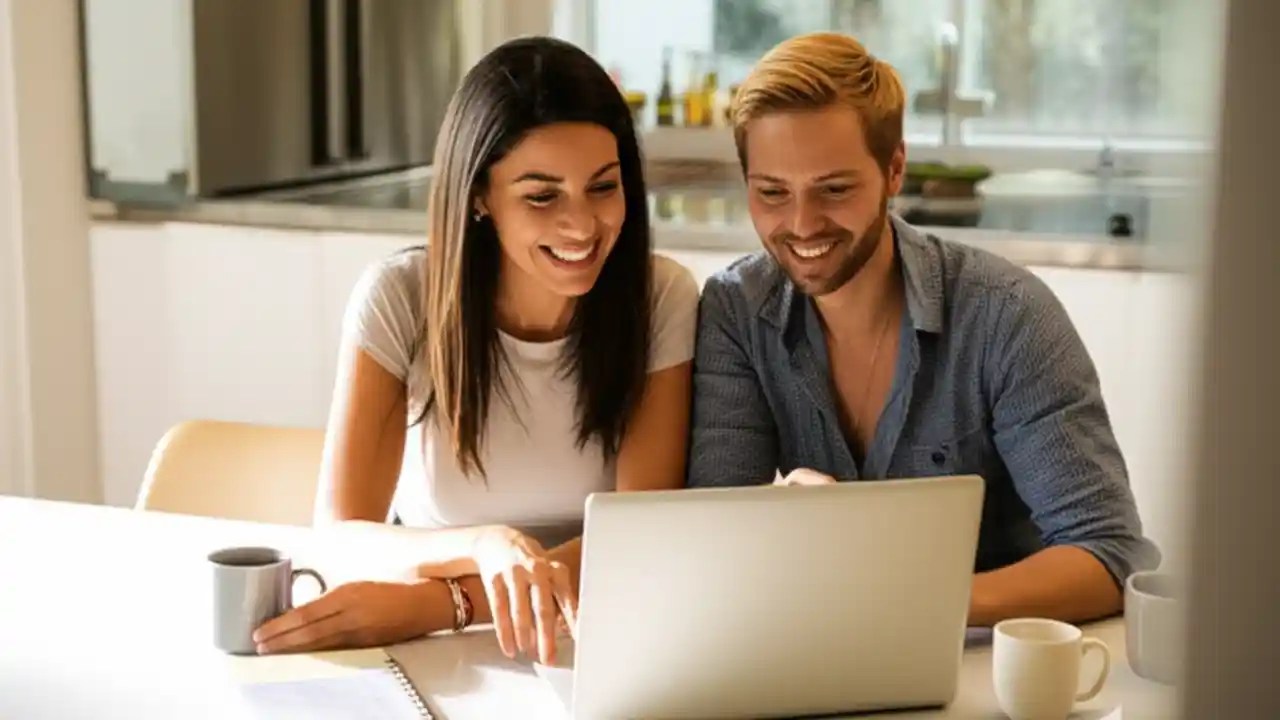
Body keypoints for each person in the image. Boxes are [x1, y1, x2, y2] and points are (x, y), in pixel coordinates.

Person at [687, 32, 1158, 627]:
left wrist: (908, 597)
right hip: (828, 648)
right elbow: (713, 539)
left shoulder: (1006, 315)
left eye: (834, 189)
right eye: (772, 193)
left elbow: (1110, 554)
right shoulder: (737, 310)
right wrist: (781, 520)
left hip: (991, 656)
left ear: (894, 170)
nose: (802, 224)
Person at [253, 37, 699, 663]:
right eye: (542, 195)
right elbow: (341, 536)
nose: (582, 224)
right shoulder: (400, 298)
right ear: (480, 197)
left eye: (603, 187)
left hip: (590, 634)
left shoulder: (661, 297)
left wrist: (441, 605)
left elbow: (638, 536)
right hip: (437, 653)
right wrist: (485, 545)